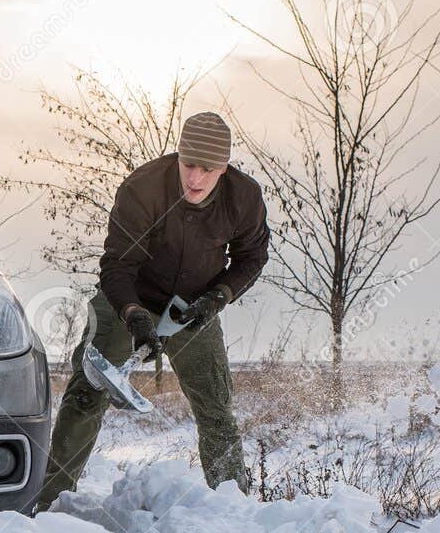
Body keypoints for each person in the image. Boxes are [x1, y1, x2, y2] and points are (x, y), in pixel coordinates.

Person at [37, 111, 269, 509]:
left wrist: (219, 297)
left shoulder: (243, 198)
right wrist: (133, 315)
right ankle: (49, 502)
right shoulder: (143, 188)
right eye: (188, 164)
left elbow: (252, 257)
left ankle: (235, 512)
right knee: (87, 392)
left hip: (194, 308)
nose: (195, 179)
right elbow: (116, 266)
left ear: (224, 168)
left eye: (207, 169)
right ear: (178, 155)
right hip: (130, 297)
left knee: (216, 408)